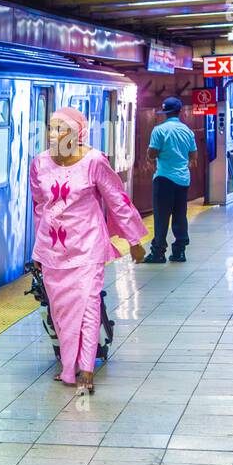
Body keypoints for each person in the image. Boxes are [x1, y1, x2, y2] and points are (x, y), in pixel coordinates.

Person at [30, 106, 147, 394]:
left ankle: (86, 369)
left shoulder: (95, 161)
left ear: (78, 133)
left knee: (88, 305)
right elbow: (38, 208)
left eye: (61, 128)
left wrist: (134, 240)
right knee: (61, 312)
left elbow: (117, 199)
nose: (54, 133)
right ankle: (68, 366)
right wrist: (38, 251)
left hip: (88, 246)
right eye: (52, 127)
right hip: (53, 250)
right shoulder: (39, 163)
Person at [142, 96, 197, 263]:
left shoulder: (159, 130)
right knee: (180, 215)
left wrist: (154, 155)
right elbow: (193, 156)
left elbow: (152, 154)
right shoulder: (188, 131)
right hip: (183, 179)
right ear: (179, 111)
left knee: (161, 216)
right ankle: (179, 251)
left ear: (165, 113)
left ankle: (158, 252)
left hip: (164, 178)